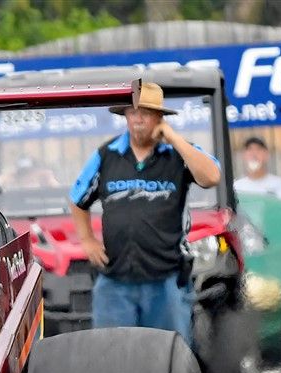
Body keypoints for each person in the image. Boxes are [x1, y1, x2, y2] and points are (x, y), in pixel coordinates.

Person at [69, 82, 221, 347]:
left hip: (166, 280)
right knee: (108, 355)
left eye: (146, 112)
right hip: (114, 280)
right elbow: (77, 198)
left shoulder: (179, 153)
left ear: (159, 118)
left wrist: (173, 138)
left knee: (170, 357)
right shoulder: (106, 156)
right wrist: (87, 240)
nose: (138, 118)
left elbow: (211, 177)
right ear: (125, 116)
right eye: (133, 111)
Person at [233, 136, 281, 202]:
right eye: (249, 150)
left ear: (266, 155)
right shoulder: (236, 187)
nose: (254, 155)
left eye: (258, 150)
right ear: (243, 156)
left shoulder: (280, 184)